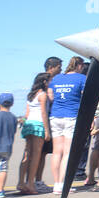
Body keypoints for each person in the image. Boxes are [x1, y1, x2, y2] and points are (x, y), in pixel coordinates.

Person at [47, 56, 87, 193]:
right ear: (80, 66)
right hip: (71, 116)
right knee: (67, 152)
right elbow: (86, 95)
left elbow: (50, 96)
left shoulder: (57, 78)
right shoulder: (81, 78)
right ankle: (63, 183)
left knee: (56, 152)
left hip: (56, 115)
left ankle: (56, 183)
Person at [17, 73, 52, 194]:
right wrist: (47, 130)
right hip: (38, 124)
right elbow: (43, 113)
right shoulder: (43, 95)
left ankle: (21, 182)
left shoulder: (31, 95)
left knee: (27, 154)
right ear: (44, 82)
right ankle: (31, 183)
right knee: (36, 156)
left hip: (29, 124)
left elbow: (27, 114)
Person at [33, 56, 61, 185]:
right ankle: (36, 180)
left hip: (42, 121)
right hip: (44, 121)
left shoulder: (40, 82)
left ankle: (35, 180)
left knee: (41, 153)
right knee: (40, 153)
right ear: (51, 68)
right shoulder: (46, 82)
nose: (60, 70)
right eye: (58, 67)